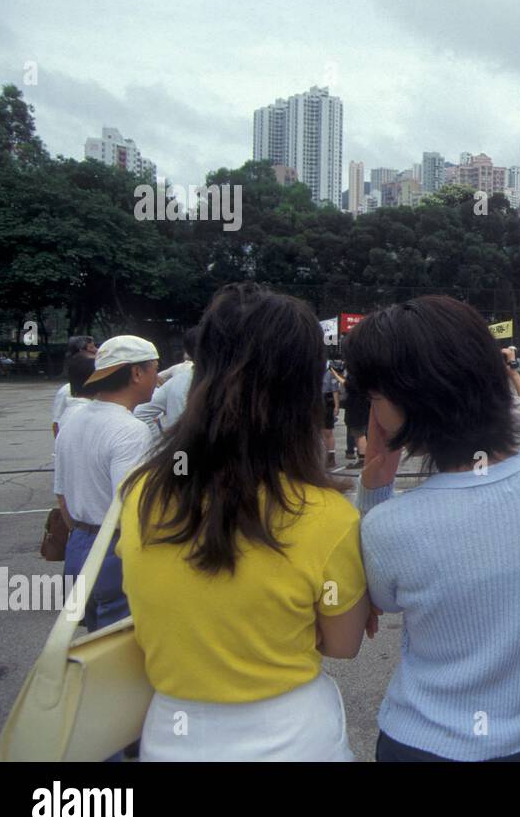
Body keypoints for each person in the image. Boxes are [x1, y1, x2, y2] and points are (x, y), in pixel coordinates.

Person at [117, 285, 371, 761]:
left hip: (172, 737)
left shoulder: (141, 495)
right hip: (295, 739)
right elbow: (343, 644)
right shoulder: (326, 515)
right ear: (300, 391)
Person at [347, 296, 520, 762]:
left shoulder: (391, 527)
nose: (373, 412)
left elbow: (374, 604)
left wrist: (376, 483)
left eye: (377, 397)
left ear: (412, 401)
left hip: (425, 740)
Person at [54, 336, 159, 631]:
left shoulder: (71, 420)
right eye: (154, 368)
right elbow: (132, 507)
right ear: (137, 373)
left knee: (96, 646)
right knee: (121, 653)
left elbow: (61, 496)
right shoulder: (130, 430)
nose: (157, 378)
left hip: (78, 545)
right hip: (113, 551)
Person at [134, 327, 197, 434]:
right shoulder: (180, 372)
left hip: (178, 447)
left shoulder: (177, 378)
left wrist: (161, 443)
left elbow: (141, 413)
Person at [51, 335, 97, 438]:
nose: (96, 350)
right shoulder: (66, 390)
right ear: (81, 351)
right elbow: (56, 424)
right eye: (91, 347)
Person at [322, 360, 342, 469]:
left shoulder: (330, 373)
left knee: (328, 431)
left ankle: (331, 456)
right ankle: (324, 455)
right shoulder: (315, 371)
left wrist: (337, 406)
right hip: (317, 401)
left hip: (327, 401)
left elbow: (335, 390)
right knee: (320, 431)